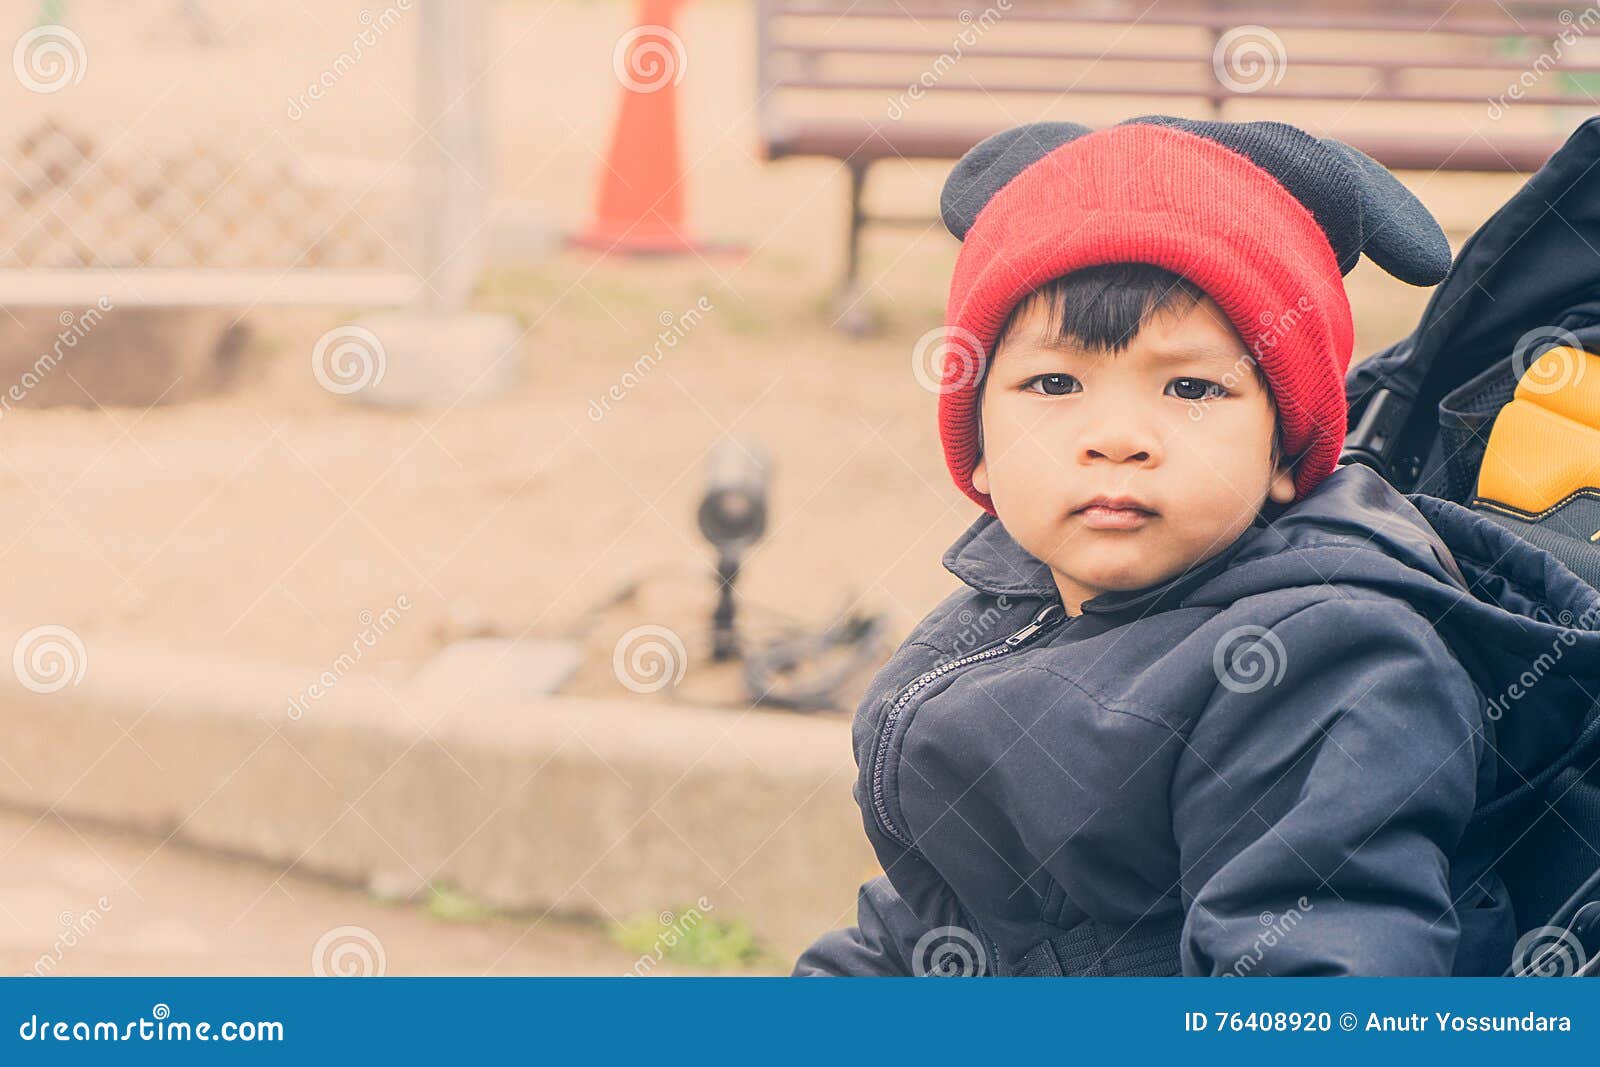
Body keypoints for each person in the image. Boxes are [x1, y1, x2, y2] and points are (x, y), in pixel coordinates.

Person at [791, 117, 1600, 977]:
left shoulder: (1326, 666)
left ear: (1287, 448)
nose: (1118, 436)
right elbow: (938, 922)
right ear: (978, 443)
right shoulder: (1003, 618)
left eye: (1191, 387)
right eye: (1055, 382)